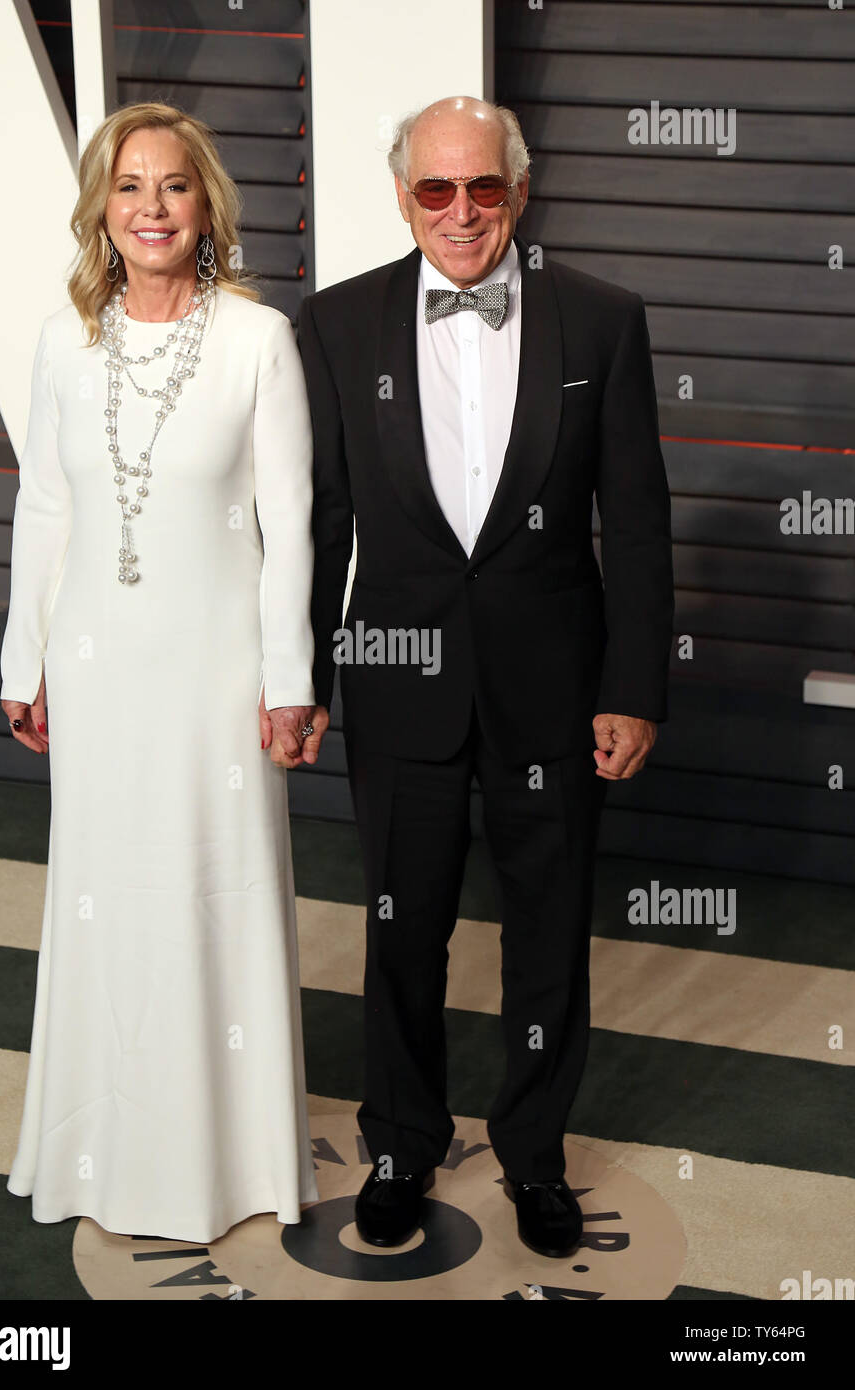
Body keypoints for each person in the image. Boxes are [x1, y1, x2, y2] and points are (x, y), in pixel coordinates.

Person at [297, 96, 674, 1258]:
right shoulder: (339, 323)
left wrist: (635, 686)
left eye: (484, 189)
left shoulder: (603, 321)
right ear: (403, 195)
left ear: (520, 188)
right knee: (401, 931)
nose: (461, 213)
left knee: (549, 933)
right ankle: (402, 1145)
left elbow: (641, 522)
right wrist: (302, 674)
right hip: (397, 675)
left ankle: (535, 1156)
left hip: (556, 686)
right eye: (435, 190)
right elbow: (322, 523)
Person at [0, 102, 327, 1243]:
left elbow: (292, 524)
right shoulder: (61, 343)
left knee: (213, 897)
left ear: (206, 209)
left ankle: (227, 1164)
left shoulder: (258, 340)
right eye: (129, 187)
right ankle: (97, 1152)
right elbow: (44, 506)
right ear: (100, 208)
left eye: (173, 188)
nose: (151, 208)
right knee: (101, 903)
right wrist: (24, 659)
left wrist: (291, 679)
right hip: (95, 673)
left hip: (214, 682)